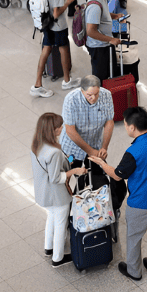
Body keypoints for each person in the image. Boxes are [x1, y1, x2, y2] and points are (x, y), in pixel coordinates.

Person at [89, 106, 147, 281]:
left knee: (134, 237)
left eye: (126, 125)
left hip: (142, 202)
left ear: (132, 127)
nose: (126, 128)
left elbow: (118, 176)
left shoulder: (133, 153)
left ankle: (134, 271)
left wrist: (102, 164)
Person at [32, 113, 87, 267]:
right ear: (52, 129)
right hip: (56, 195)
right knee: (60, 224)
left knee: (51, 217)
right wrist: (75, 171)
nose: (62, 128)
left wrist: (69, 160)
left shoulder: (37, 144)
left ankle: (48, 248)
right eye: (59, 127)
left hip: (43, 193)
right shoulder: (54, 152)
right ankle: (58, 258)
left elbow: (53, 166)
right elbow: (56, 178)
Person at [32, 0, 77, 96]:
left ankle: (37, 84)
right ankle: (66, 81)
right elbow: (57, 13)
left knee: (46, 49)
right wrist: (68, 2)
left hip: (46, 23)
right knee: (63, 49)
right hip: (58, 26)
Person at [60, 74, 115, 169]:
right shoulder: (71, 99)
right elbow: (70, 130)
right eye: (89, 95)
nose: (93, 98)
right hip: (71, 150)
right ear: (82, 91)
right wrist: (90, 151)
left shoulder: (106, 95)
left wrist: (104, 147)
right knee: (70, 170)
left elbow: (109, 122)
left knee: (97, 174)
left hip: (94, 145)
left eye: (96, 94)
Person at [84, 0, 121, 81]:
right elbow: (90, 31)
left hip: (105, 44)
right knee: (100, 77)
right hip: (99, 47)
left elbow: (102, 14)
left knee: (111, 71)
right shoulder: (94, 6)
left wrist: (114, 16)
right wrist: (111, 39)